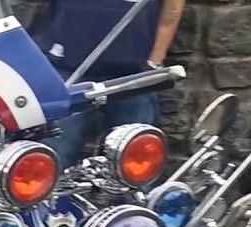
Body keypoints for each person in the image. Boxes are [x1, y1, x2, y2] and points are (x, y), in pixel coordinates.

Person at [39, 0, 185, 170]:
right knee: (52, 159)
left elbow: (173, 8)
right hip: (69, 65)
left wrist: (155, 60)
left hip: (132, 70)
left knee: (133, 160)